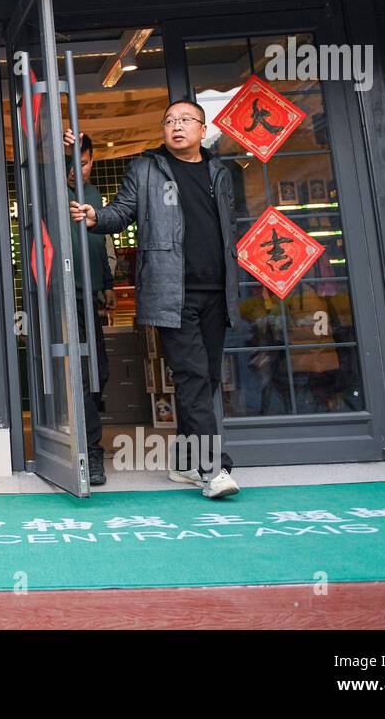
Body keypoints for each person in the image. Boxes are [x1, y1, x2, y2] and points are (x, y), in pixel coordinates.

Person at [70, 99, 241, 498]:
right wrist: (97, 217)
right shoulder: (146, 168)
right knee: (193, 376)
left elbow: (227, 230)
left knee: (207, 377)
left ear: (203, 128)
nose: (176, 127)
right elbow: (123, 211)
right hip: (171, 292)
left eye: (185, 121)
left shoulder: (219, 172)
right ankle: (213, 468)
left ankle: (183, 462)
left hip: (216, 290)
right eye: (169, 121)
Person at [62, 129, 115, 485]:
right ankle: (89, 450)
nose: (74, 170)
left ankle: (87, 434)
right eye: (69, 163)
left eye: (81, 163)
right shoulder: (53, 191)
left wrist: (109, 284)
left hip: (91, 294)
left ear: (91, 162)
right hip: (63, 294)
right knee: (82, 371)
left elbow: (103, 236)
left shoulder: (95, 193)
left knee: (101, 370)